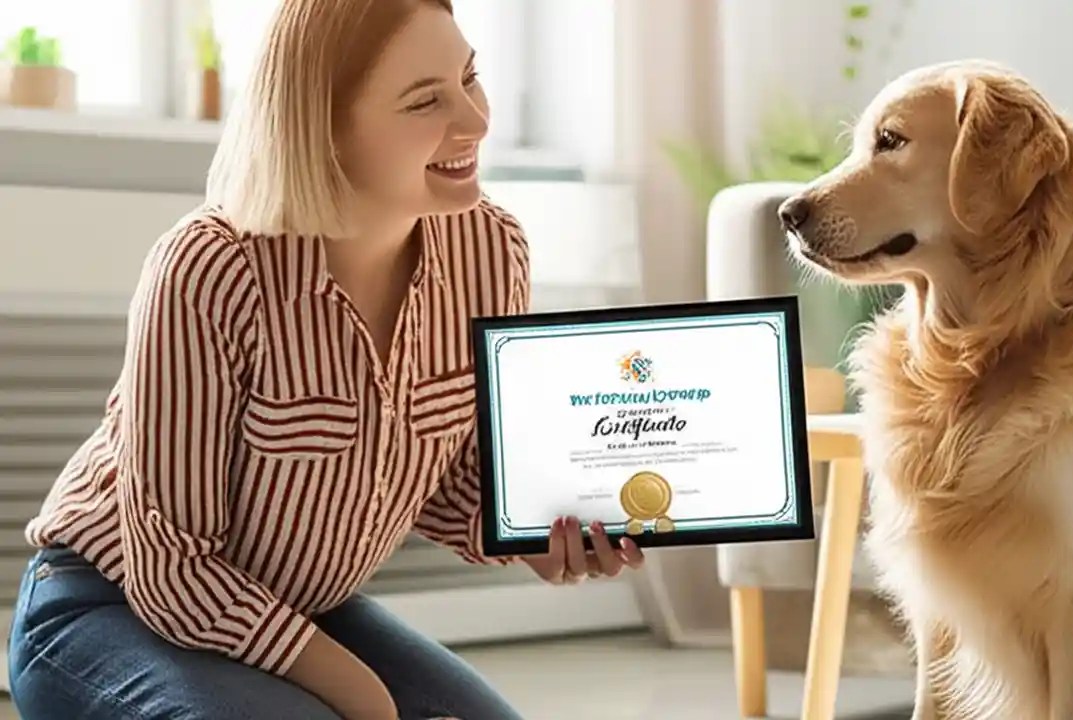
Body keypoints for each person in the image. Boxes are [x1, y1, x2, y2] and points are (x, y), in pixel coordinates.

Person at [5, 1, 644, 718]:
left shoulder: (491, 249)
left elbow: (443, 477)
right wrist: (365, 698)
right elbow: (173, 571)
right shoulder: (211, 268)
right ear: (324, 127)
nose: (474, 121)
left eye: (470, 79)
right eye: (426, 100)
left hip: (297, 609)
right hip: (111, 605)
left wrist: (534, 534)